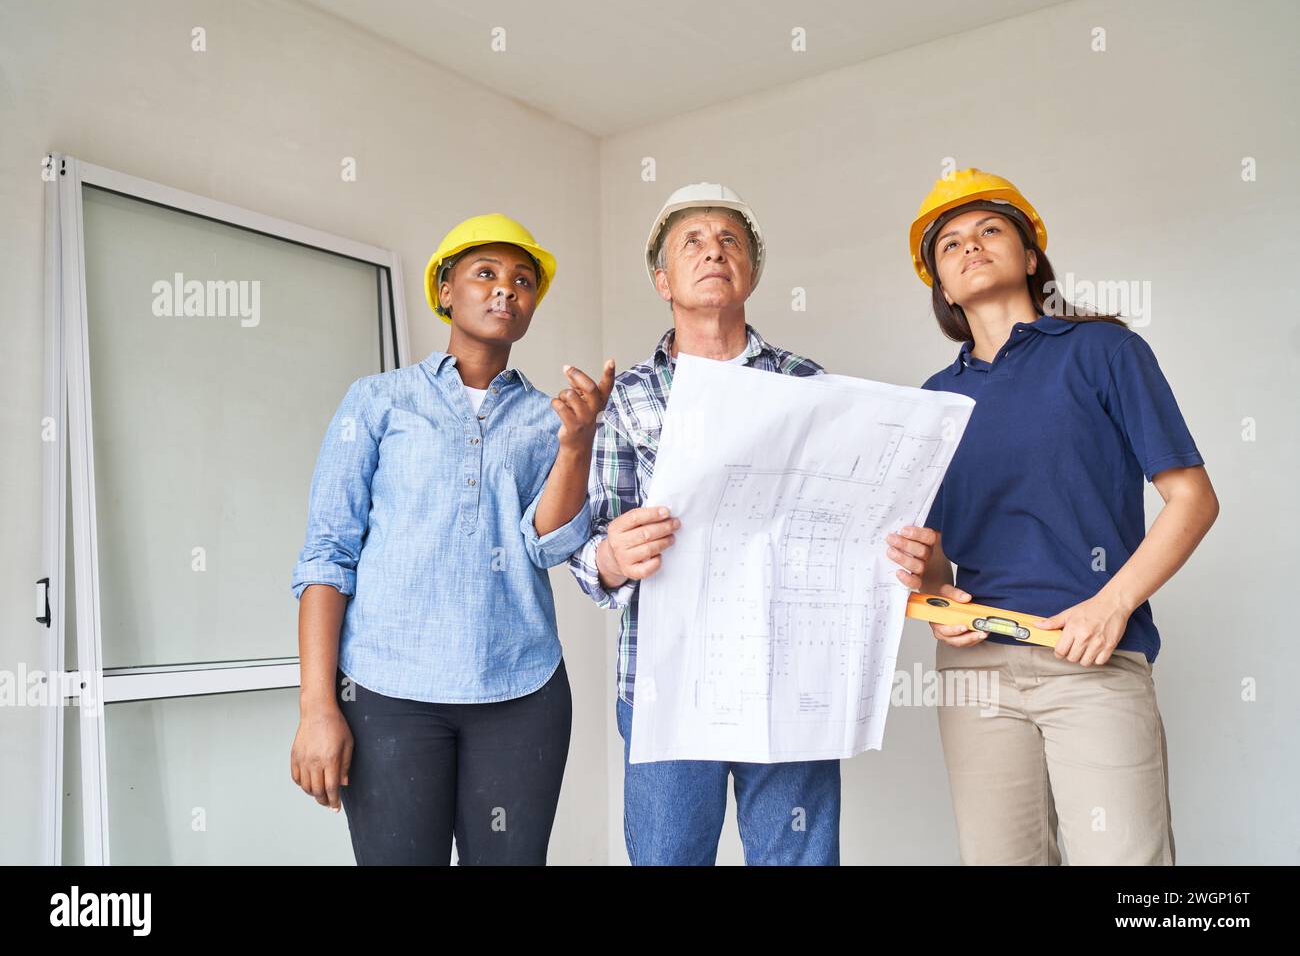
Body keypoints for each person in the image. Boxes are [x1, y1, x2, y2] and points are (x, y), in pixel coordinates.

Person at [568, 182, 939, 865]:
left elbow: (849, 529)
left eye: (730, 240)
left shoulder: (810, 386)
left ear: (752, 271)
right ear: (662, 280)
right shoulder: (626, 399)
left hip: (792, 675)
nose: (714, 251)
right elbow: (587, 548)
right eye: (694, 241)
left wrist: (904, 554)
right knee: (667, 857)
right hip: (667, 684)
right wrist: (614, 557)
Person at [910, 169, 1219, 865]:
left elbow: (1194, 499)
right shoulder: (931, 401)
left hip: (1093, 661)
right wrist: (936, 602)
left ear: (1029, 255)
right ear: (943, 287)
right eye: (949, 244)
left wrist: (1113, 605)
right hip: (976, 675)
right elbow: (930, 554)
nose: (970, 247)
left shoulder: (1104, 352)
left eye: (990, 229)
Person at [289, 213, 614, 865]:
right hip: (386, 697)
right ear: (444, 290)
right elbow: (328, 555)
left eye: (522, 281)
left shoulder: (549, 417)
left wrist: (577, 443)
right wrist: (317, 706)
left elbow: (548, 545)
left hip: (521, 696)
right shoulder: (379, 401)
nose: (506, 289)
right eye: (486, 273)